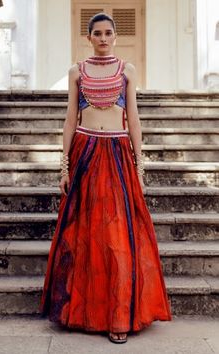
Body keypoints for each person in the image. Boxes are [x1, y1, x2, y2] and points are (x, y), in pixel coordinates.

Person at [40, 12, 172, 344]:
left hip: (116, 154)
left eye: (107, 33)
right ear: (89, 38)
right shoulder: (76, 72)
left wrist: (140, 167)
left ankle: (118, 316)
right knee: (86, 234)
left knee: (118, 237)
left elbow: (134, 119)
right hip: (85, 150)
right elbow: (71, 119)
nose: (102, 38)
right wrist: (64, 167)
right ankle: (83, 312)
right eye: (96, 33)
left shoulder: (127, 70)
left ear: (115, 36)